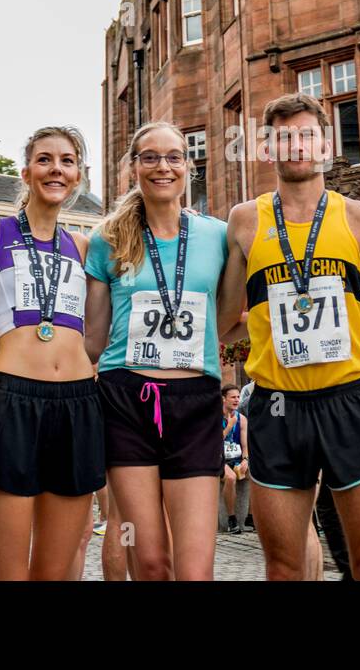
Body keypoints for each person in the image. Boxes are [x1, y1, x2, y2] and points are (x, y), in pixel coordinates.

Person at [216, 94, 360, 582]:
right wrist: (251, 336)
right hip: (279, 407)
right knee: (283, 568)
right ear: (266, 148)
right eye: (283, 137)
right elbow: (225, 324)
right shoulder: (245, 220)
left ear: (325, 144)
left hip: (352, 399)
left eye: (306, 135)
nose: (296, 145)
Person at [85, 121, 229, 581]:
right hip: (126, 400)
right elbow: (92, 338)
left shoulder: (220, 236)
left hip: (195, 403)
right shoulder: (106, 239)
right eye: (150, 157)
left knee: (195, 569)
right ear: (133, 168)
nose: (162, 166)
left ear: (188, 167)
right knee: (148, 561)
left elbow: (230, 316)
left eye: (174, 156)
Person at [0, 126, 102, 581]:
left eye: (67, 161)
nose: (56, 169)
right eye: (44, 160)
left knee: (54, 572)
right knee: (7, 574)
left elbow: (97, 331)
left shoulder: (83, 247)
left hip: (78, 405)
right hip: (13, 401)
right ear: (26, 171)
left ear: (79, 176)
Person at [221, 384, 248, 534]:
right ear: (223, 399)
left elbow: (245, 445)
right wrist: (229, 426)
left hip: (236, 457)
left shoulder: (242, 419)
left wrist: (246, 460)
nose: (237, 400)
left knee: (259, 474)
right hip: (218, 458)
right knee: (230, 478)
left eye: (238, 397)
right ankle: (232, 519)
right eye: (233, 397)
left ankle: (252, 517)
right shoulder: (214, 417)